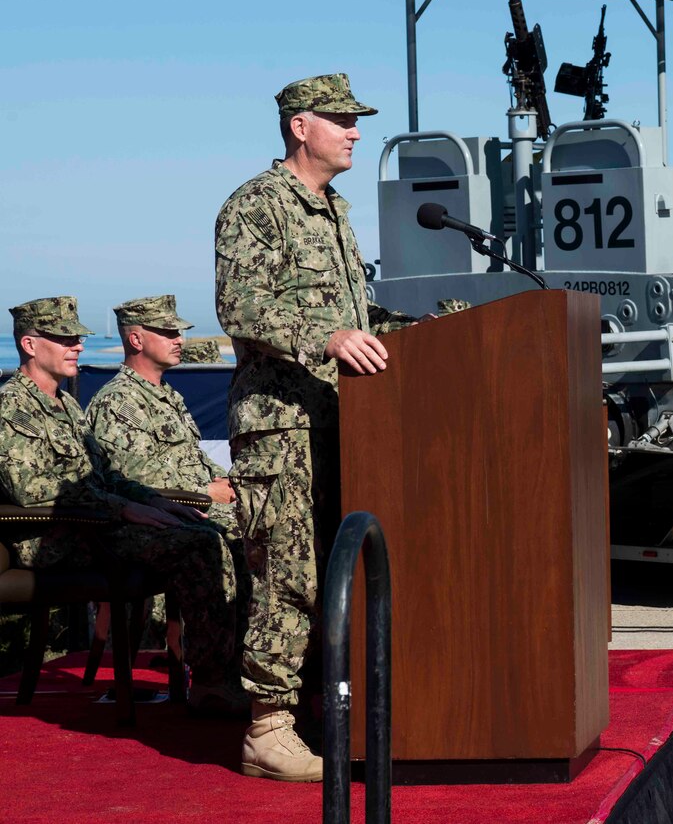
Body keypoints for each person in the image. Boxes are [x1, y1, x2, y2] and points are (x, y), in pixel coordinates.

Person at [215, 73, 415, 782]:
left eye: (356, 120)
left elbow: (355, 321)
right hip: (281, 426)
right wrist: (326, 337)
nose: (356, 131)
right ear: (301, 127)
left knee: (336, 567)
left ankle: (316, 710)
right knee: (290, 576)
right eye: (341, 120)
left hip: (341, 420)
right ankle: (267, 729)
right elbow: (240, 306)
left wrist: (434, 326)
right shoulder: (256, 205)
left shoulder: (333, 211)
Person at [0, 296, 240, 710]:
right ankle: (212, 681)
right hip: (55, 538)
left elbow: (109, 475)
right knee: (201, 544)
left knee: (203, 531)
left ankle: (230, 670)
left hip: (96, 526)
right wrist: (122, 509)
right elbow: (32, 490)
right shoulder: (12, 408)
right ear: (30, 345)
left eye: (77, 338)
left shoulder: (66, 404)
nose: (76, 345)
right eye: (63, 338)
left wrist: (154, 502)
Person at [87, 295, 237, 531]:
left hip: (195, 501)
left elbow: (192, 456)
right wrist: (206, 491)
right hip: (168, 508)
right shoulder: (119, 399)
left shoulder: (166, 394)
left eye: (178, 333)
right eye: (168, 333)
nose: (179, 340)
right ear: (136, 340)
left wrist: (224, 482)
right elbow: (132, 472)